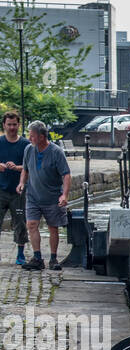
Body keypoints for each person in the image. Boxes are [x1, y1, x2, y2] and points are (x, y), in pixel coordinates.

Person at [16, 120, 71, 272]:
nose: (29, 138)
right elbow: (25, 169)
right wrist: (21, 183)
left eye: (32, 136)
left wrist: (64, 195)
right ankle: (37, 258)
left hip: (52, 197)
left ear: (41, 137)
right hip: (33, 196)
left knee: (53, 227)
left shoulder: (56, 152)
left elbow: (66, 174)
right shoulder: (29, 149)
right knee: (31, 225)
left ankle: (53, 258)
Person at [0, 110, 28, 265]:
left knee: (20, 223)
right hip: (0, 189)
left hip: (18, 190)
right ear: (4, 125)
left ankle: (20, 254)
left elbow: (30, 167)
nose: (11, 127)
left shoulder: (25, 144)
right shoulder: (0, 142)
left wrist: (17, 167)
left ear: (18, 125)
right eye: (9, 124)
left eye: (14, 124)